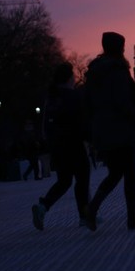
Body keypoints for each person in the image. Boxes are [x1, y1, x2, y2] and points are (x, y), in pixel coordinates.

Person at [82, 32, 135, 231]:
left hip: (101, 129)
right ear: (118, 48)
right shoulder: (117, 69)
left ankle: (92, 209)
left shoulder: (94, 70)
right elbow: (123, 100)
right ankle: (132, 217)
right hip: (120, 128)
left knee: (115, 172)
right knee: (129, 173)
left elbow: (86, 102)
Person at [31, 62, 92, 230]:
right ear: (68, 78)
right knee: (82, 179)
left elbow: (45, 125)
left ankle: (44, 206)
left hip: (57, 146)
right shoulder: (72, 96)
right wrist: (88, 138)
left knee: (64, 181)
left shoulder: (50, 98)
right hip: (73, 144)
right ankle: (84, 215)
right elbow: (81, 122)